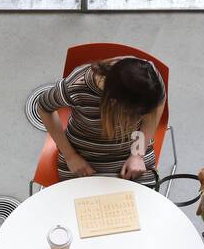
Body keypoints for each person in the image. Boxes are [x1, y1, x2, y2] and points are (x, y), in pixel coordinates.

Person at [34, 55, 166, 185]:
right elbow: (44, 107)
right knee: (77, 203)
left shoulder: (149, 77)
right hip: (82, 157)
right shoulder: (76, 86)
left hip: (133, 151)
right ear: (113, 102)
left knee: (142, 203)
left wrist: (138, 154)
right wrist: (70, 156)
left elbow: (158, 104)